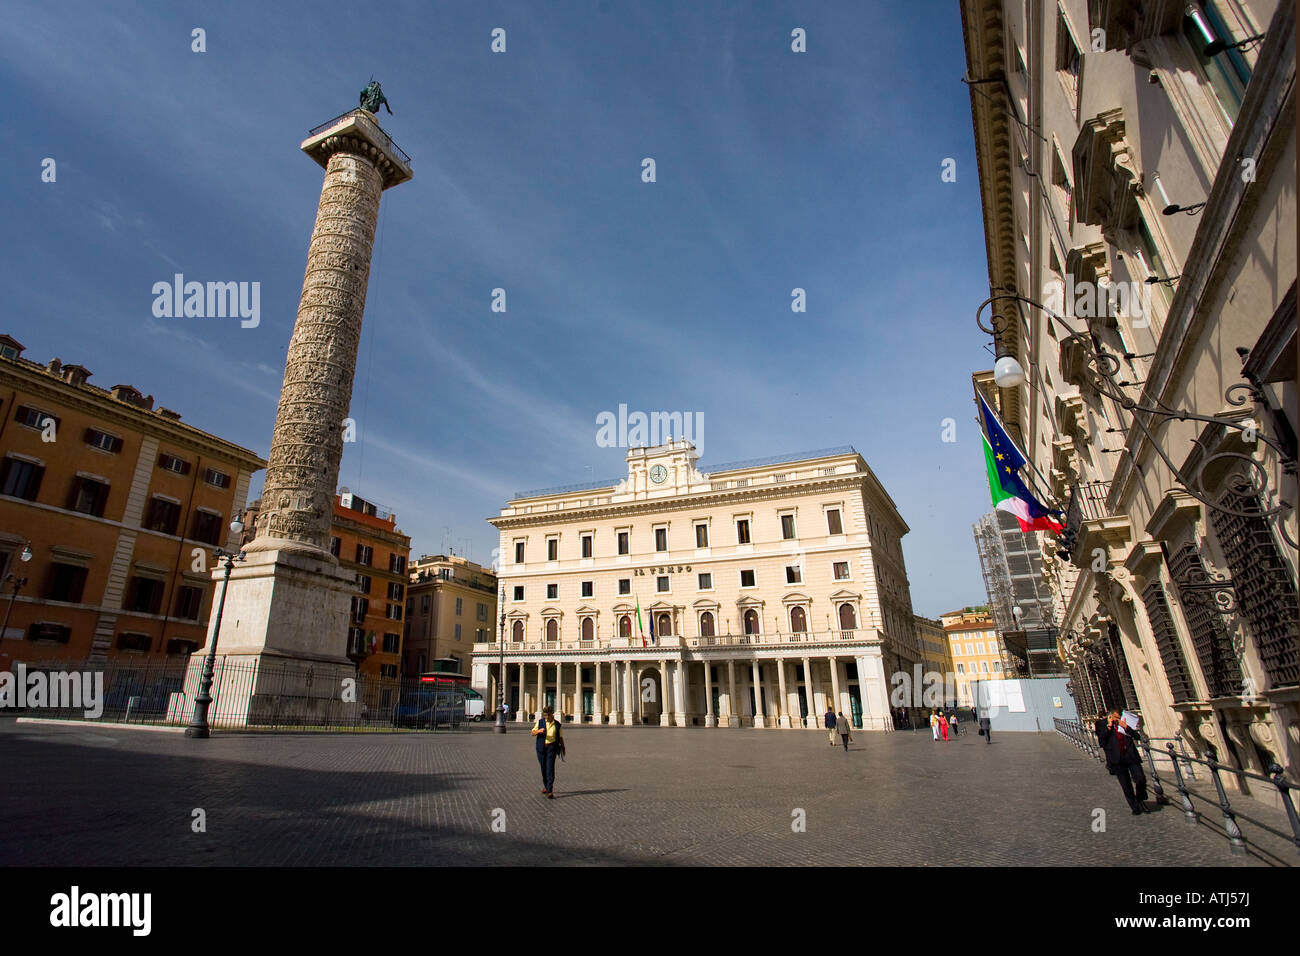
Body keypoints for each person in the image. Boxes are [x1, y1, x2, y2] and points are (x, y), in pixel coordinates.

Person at [1095, 710, 1149, 814]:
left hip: (1131, 756)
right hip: (1117, 758)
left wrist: (1126, 727)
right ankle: (1135, 807)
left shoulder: (1125, 722)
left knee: (1141, 779)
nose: (1117, 720)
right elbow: (1102, 742)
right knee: (1126, 785)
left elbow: (1137, 736)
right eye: (1115, 718)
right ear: (1110, 717)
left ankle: (1140, 798)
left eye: (1119, 717)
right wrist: (1109, 727)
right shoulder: (1101, 724)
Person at [530, 704, 564, 798]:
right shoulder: (540, 722)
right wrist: (538, 731)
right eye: (545, 715)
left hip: (551, 748)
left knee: (550, 768)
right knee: (543, 768)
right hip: (541, 748)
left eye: (548, 715)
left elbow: (560, 737)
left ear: (552, 714)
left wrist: (563, 747)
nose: (547, 717)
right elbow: (532, 732)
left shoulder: (557, 724)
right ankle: (546, 785)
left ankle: (550, 790)